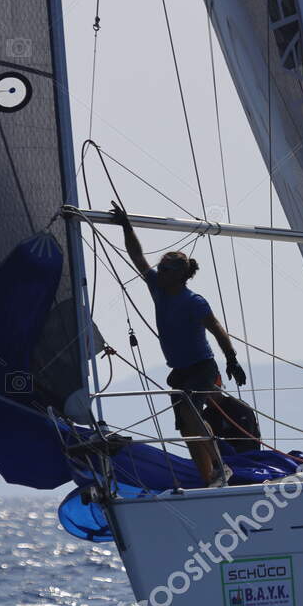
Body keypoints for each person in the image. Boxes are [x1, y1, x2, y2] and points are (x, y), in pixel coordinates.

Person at [112, 202, 247, 487]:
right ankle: (208, 478)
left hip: (202, 367)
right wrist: (126, 226)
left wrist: (231, 359)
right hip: (181, 371)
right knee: (187, 428)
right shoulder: (158, 287)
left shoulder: (193, 302)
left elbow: (218, 331)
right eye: (159, 267)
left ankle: (222, 467)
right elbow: (137, 256)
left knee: (190, 412)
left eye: (164, 269)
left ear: (179, 274)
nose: (157, 271)